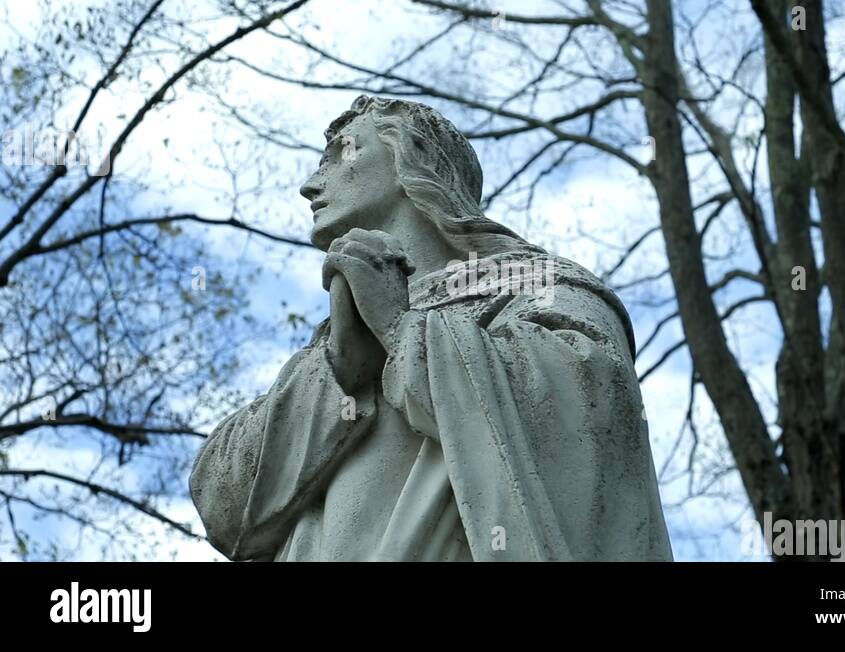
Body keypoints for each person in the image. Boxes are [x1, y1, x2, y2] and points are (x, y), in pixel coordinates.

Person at [189, 95, 672, 561]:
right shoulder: (331, 347)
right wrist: (340, 372)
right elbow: (224, 505)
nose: (310, 185)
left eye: (343, 154)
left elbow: (592, 411)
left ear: (412, 159)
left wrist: (403, 330)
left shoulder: (533, 285)